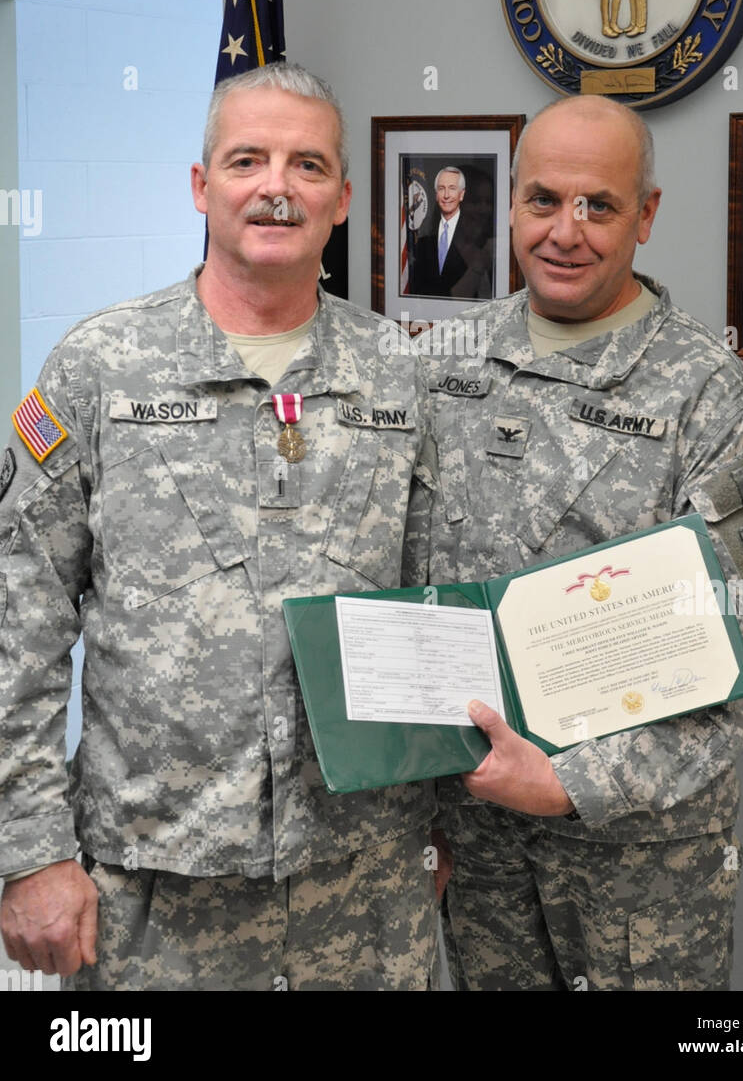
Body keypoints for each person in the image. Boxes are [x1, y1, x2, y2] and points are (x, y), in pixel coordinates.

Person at [0, 62, 439, 992]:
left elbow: (441, 611)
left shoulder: (400, 376)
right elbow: (18, 622)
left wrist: (448, 830)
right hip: (152, 887)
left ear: (343, 198)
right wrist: (28, 851)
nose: (276, 187)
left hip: (361, 882)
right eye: (247, 161)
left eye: (307, 166)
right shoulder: (99, 366)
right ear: (202, 187)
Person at [406, 94, 743, 991]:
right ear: (510, 203)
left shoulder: (710, 396)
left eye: (599, 205)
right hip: (478, 836)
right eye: (542, 200)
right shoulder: (439, 364)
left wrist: (574, 785)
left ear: (646, 215)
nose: (564, 232)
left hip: (639, 862)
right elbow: (405, 580)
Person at [411, 166, 493, 298]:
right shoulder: (427, 249)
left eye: (488, 202)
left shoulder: (494, 249)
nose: (483, 210)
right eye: (475, 202)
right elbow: (430, 307)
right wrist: (479, 265)